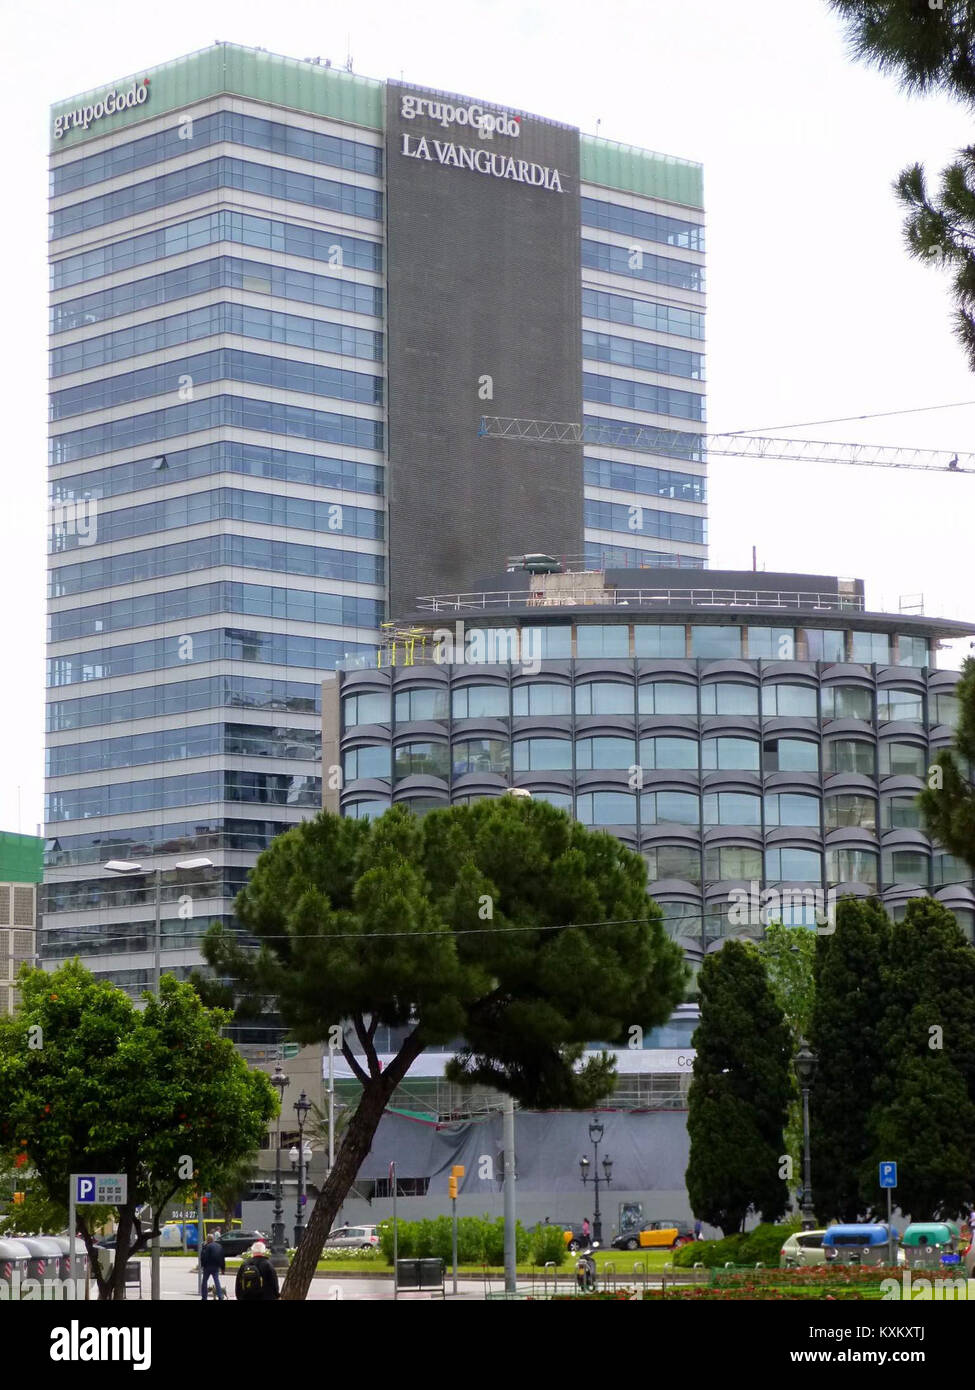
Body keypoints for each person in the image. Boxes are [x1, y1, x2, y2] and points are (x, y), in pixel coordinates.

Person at [200, 1232, 227, 1301]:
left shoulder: (207, 1246)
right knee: (217, 1281)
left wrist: (203, 1265)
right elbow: (222, 1258)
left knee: (204, 1282)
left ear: (208, 1240)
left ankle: (204, 1297)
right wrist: (223, 1268)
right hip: (216, 1267)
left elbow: (204, 1257)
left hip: (208, 1267)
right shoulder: (219, 1246)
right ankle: (220, 1296)